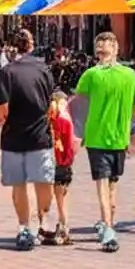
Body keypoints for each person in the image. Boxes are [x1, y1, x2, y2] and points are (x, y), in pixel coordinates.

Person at [0, 29, 55, 251]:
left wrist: (4, 119)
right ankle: (45, 222)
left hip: (13, 137)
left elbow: (0, 105)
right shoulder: (44, 70)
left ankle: (24, 228)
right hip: (40, 135)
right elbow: (51, 101)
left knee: (19, 185)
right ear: (31, 46)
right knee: (43, 182)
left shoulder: (6, 73)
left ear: (12, 47)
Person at [74, 32, 135, 253]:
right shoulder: (131, 76)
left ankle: (108, 229)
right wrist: (130, 134)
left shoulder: (91, 75)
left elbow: (78, 107)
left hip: (97, 136)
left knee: (102, 184)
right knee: (112, 183)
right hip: (120, 138)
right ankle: (108, 221)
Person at [48, 91, 75, 246]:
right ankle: (63, 227)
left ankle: (61, 227)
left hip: (54, 161)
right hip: (64, 163)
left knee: (57, 200)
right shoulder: (65, 119)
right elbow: (70, 146)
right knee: (62, 198)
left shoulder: (53, 120)